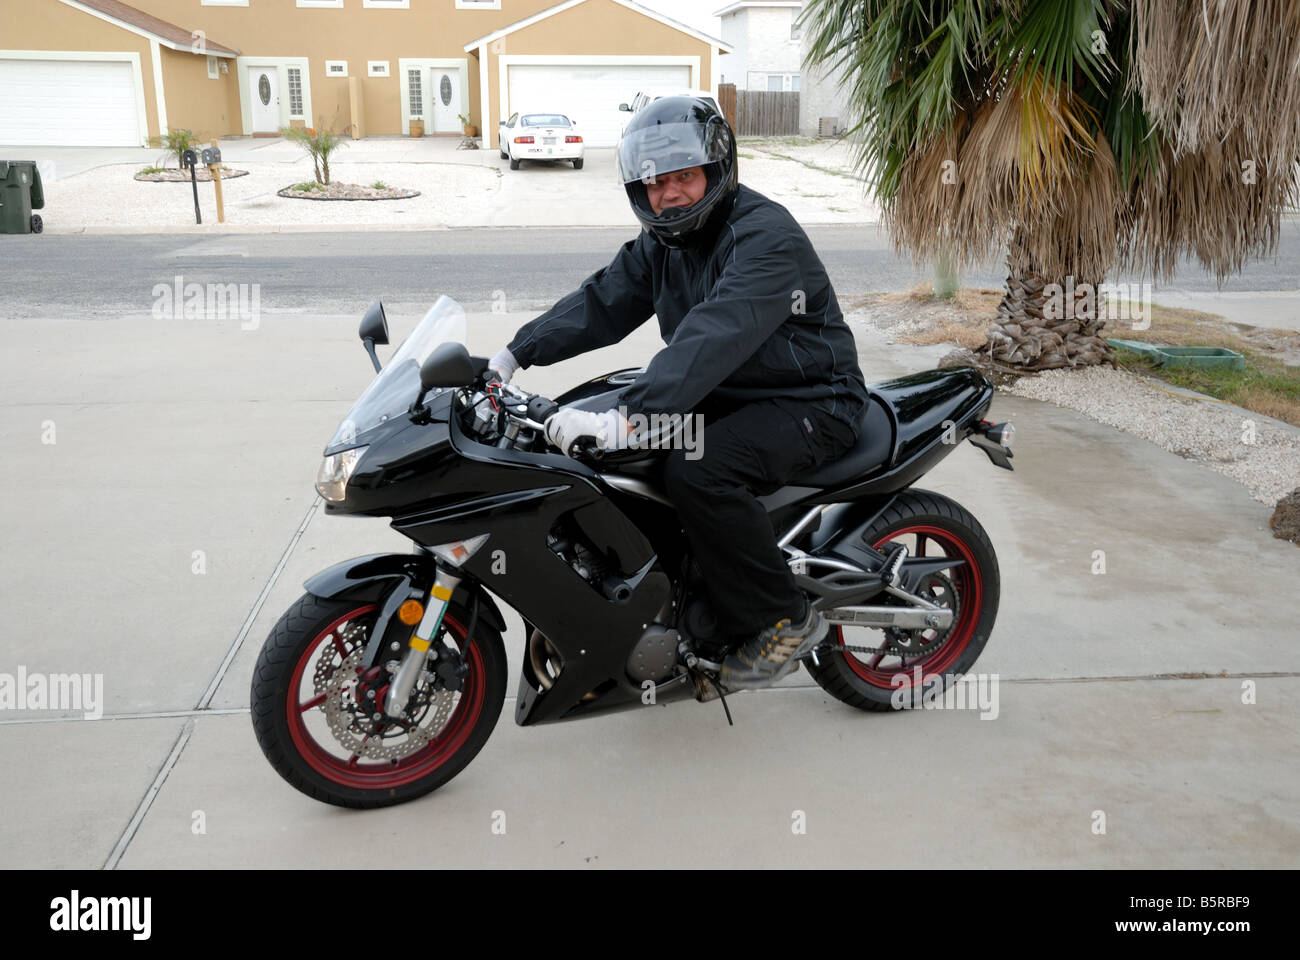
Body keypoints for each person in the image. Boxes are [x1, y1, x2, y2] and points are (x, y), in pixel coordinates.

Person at [488, 96, 870, 691]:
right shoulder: (662, 245)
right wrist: (513, 355)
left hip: (813, 400)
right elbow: (603, 301)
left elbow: (713, 336)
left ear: (716, 172)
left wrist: (634, 416)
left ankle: (784, 620)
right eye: (655, 182)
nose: (669, 194)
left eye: (683, 178)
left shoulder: (765, 236)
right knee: (615, 457)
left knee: (699, 469)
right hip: (730, 391)